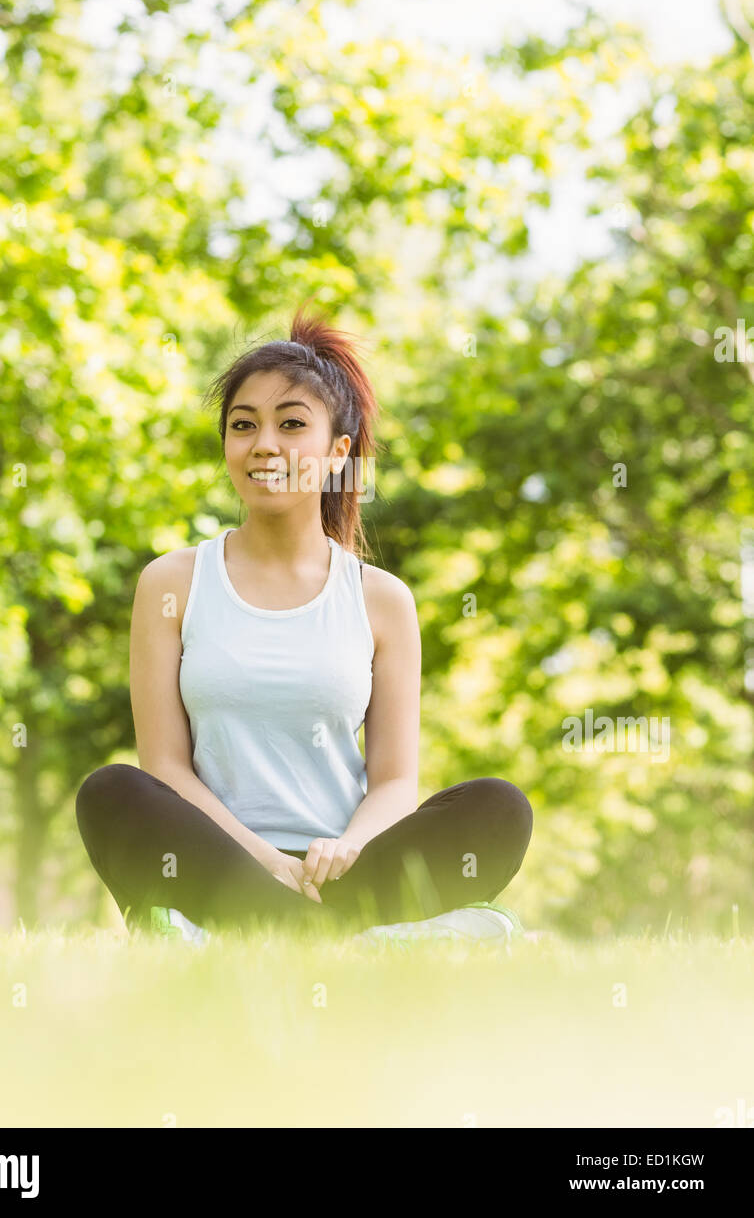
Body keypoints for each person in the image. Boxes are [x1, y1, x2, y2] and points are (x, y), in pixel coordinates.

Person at [75, 302, 533, 945]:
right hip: (220, 861)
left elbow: (396, 781)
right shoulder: (172, 584)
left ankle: (231, 936)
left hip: (345, 870)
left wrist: (346, 850)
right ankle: (369, 940)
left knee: (499, 807)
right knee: (112, 792)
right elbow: (167, 772)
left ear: (337, 451)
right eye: (244, 425)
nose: (265, 445)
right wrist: (267, 862)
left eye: (292, 425)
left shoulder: (382, 600)